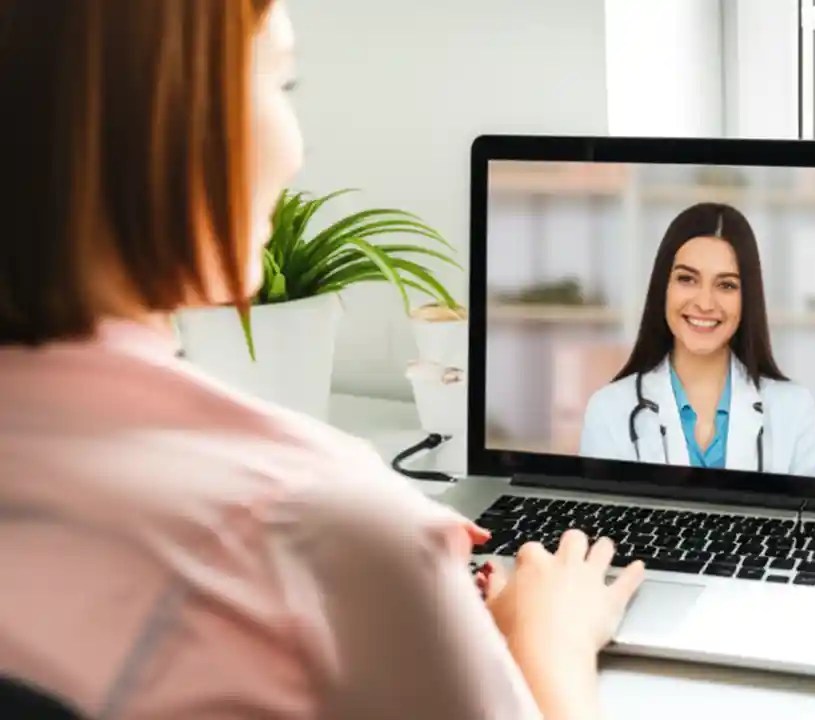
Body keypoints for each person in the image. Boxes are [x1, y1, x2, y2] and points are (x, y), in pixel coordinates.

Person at [0, 2, 642, 719]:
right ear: (167, 123)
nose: (296, 150)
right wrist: (550, 635)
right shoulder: (318, 529)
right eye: (280, 84)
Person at [579, 203, 815, 477]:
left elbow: (814, 517)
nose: (705, 303)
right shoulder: (610, 410)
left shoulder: (793, 408)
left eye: (726, 285)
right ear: (664, 288)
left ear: (748, 299)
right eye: (687, 279)